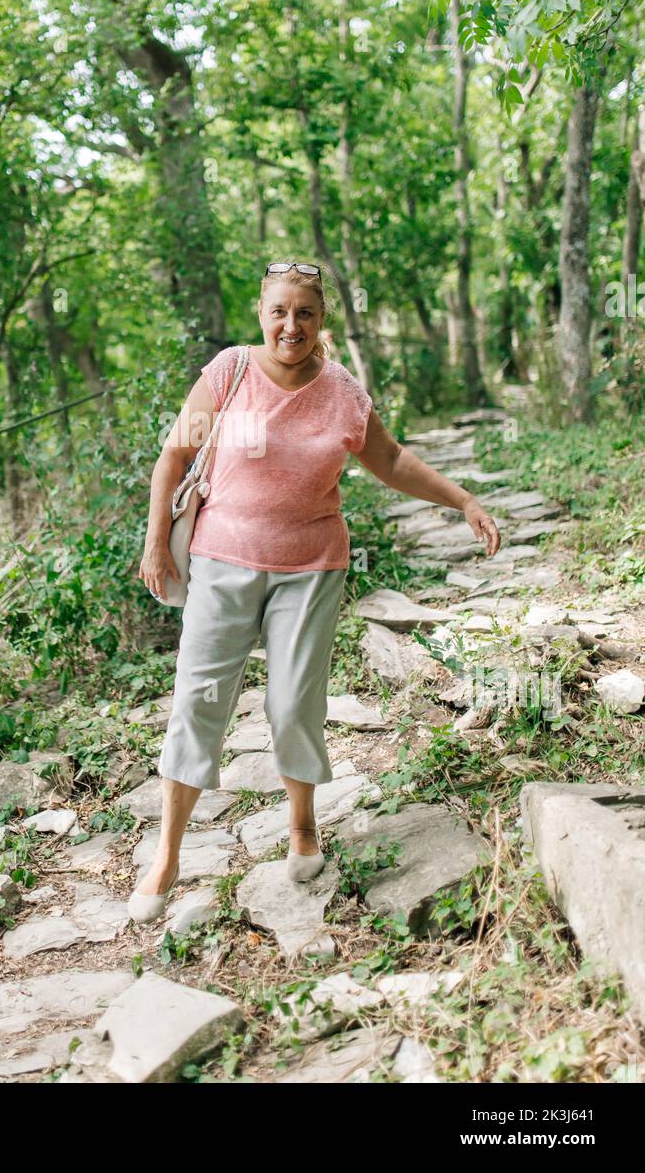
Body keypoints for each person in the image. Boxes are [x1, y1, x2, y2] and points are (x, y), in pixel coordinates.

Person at [133, 262, 501, 922]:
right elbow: (174, 458)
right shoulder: (229, 372)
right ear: (261, 313)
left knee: (293, 703)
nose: (290, 326)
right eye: (279, 311)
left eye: (304, 313)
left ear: (321, 319)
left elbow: (390, 461)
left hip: (311, 568)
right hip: (220, 565)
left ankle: (302, 826)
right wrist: (157, 541)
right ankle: (168, 853)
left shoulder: (341, 392)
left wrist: (463, 500)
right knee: (198, 701)